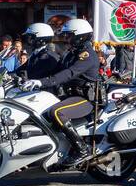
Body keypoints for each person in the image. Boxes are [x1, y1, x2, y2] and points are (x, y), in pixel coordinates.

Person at [38, 18, 100, 155]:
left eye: (69, 35)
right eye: (66, 35)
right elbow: (55, 70)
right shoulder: (71, 53)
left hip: (85, 99)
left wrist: (43, 82)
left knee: (56, 112)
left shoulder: (87, 55)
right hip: (69, 95)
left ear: (80, 36)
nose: (66, 38)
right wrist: (32, 79)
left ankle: (82, 149)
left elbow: (69, 73)